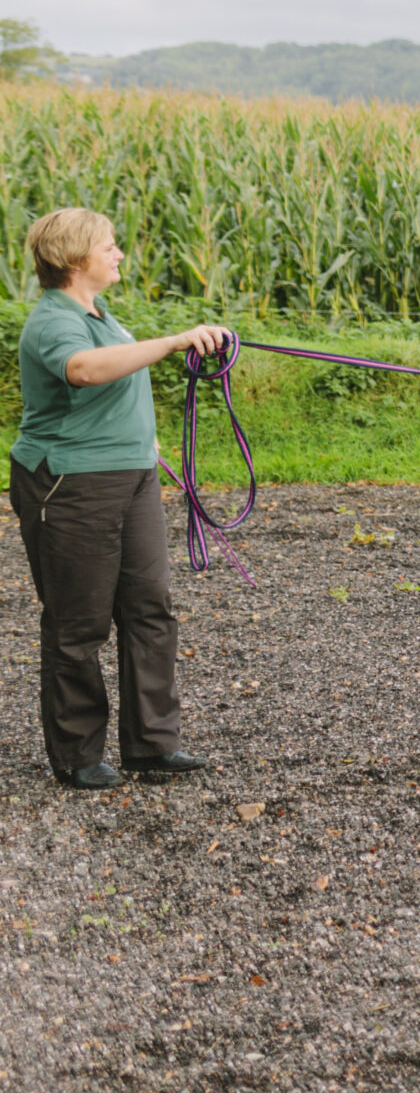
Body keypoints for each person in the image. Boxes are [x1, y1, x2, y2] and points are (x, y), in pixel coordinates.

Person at [11, 208, 231, 791]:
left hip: (130, 477)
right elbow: (82, 370)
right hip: (70, 484)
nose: (119, 255)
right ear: (77, 259)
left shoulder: (100, 315)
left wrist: (143, 433)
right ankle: (79, 755)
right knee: (78, 623)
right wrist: (172, 340)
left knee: (149, 607)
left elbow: (112, 376)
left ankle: (153, 746)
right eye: (109, 247)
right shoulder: (53, 321)